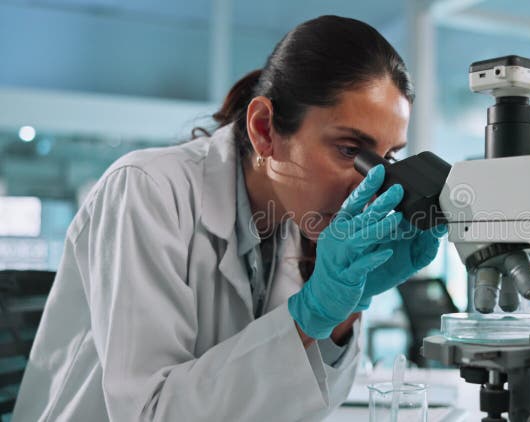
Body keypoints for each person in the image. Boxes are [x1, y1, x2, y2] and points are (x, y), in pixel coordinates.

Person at [13, 15, 446, 421]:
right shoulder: (147, 190)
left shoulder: (293, 223)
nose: (369, 182)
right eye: (350, 151)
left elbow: (294, 402)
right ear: (263, 129)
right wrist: (307, 314)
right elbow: (150, 411)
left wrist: (342, 314)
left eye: (387, 159)